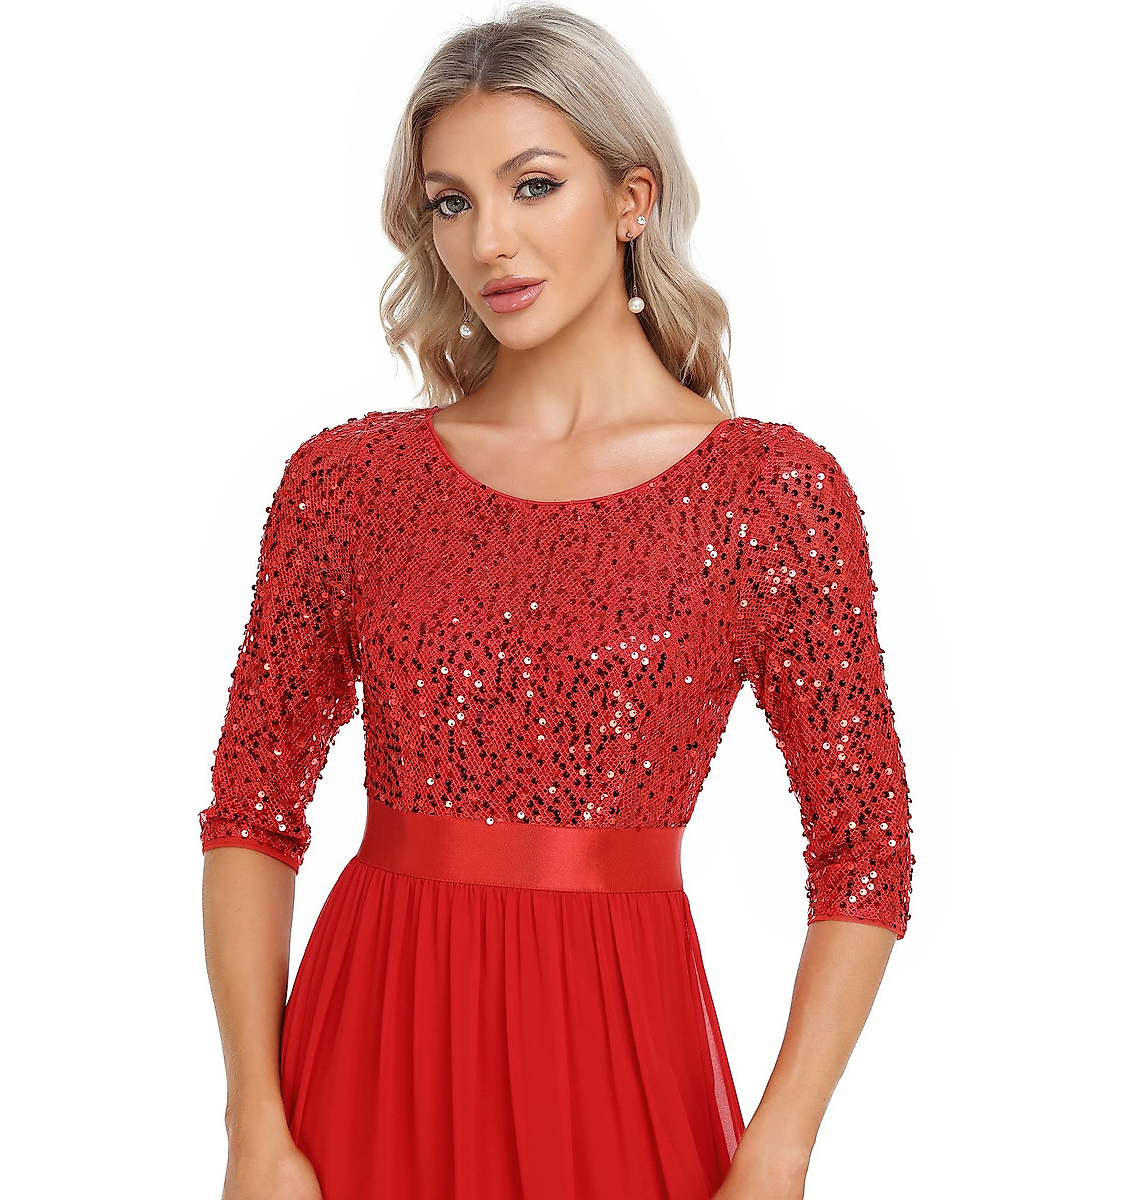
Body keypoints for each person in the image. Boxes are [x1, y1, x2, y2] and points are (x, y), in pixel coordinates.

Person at [198, 5, 915, 1199]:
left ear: (633, 198)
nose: (491, 241)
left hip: (618, 1050)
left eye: (534, 185)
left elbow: (865, 850)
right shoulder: (348, 482)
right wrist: (253, 1125)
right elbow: (252, 812)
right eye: (451, 201)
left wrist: (779, 1148)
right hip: (369, 1043)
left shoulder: (771, 494)